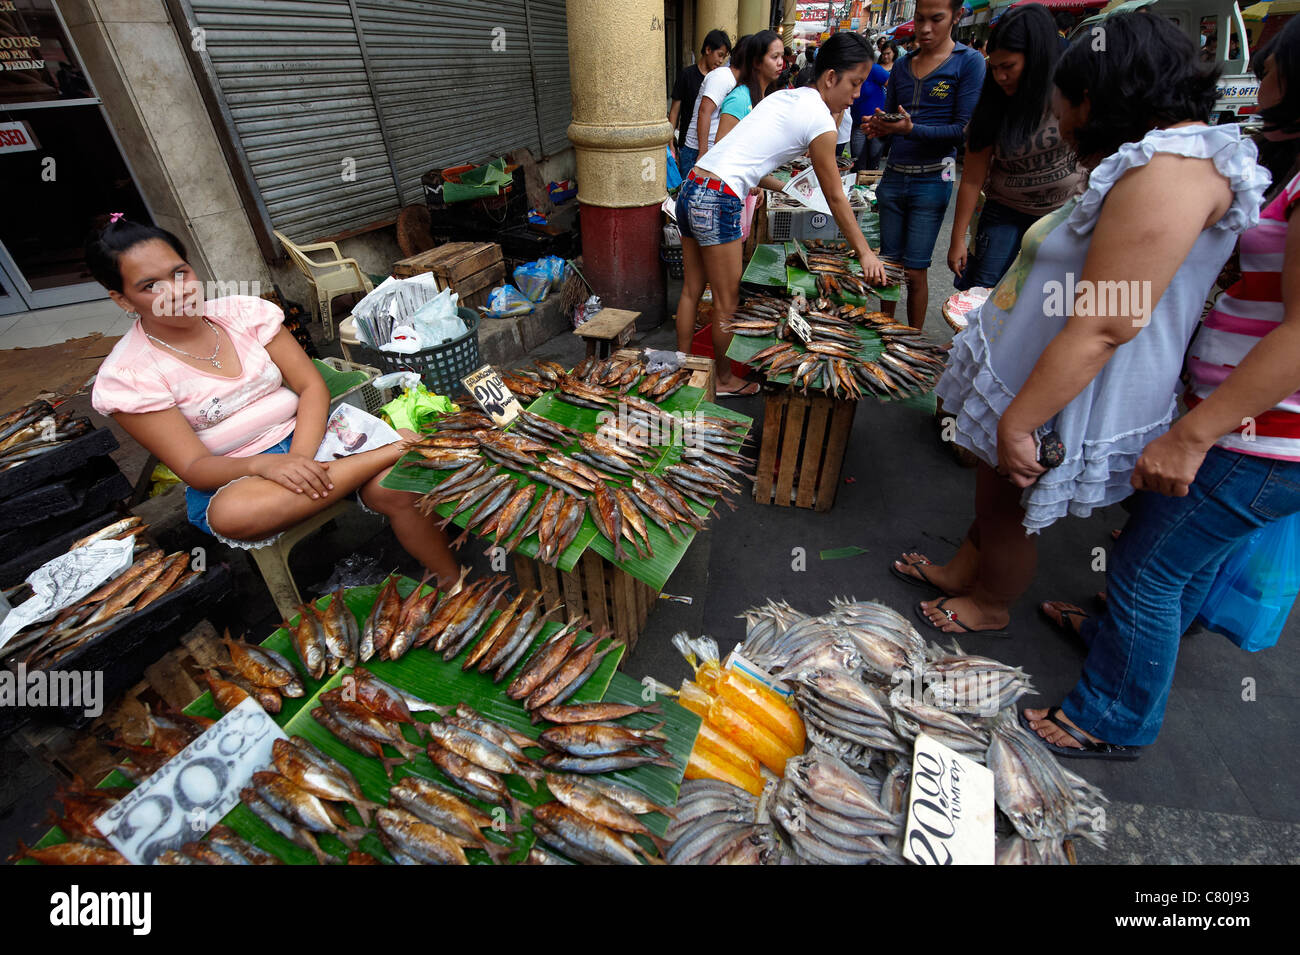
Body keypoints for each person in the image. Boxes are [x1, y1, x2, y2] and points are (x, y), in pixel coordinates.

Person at [890, 14, 1268, 640]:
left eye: (1063, 100)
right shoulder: (1162, 159)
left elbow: (1106, 322)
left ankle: (990, 603)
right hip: (1039, 364)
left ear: (1095, 95)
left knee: (1009, 504)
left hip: (1061, 383)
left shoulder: (1169, 169)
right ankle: (966, 570)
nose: (1058, 116)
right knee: (992, 496)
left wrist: (1019, 421)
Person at [1027, 17, 1300, 759]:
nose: (1260, 75)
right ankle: (1116, 637)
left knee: (1147, 568)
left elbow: (1297, 337)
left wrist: (1193, 433)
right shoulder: (1253, 161)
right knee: (1182, 563)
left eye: (1272, 63)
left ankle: (1111, 716)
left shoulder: (1180, 164)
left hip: (1259, 437)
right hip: (1242, 423)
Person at [87, 217, 462, 588]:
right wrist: (265, 464)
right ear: (122, 299)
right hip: (237, 475)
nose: (177, 292)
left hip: (315, 438)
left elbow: (311, 386)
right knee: (235, 514)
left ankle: (452, 582)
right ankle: (394, 449)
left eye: (180, 272)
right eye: (150, 285)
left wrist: (300, 458)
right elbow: (194, 466)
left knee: (393, 488)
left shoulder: (243, 315)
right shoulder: (129, 375)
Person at [675, 32, 888, 397]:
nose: (856, 94)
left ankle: (681, 369)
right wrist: (866, 252)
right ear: (831, 77)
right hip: (719, 197)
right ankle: (724, 381)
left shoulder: (788, 97)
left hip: (693, 185)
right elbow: (836, 197)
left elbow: (748, 159)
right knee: (727, 302)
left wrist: (785, 187)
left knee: (692, 290)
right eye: (854, 83)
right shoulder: (820, 119)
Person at [865, 0, 986, 329]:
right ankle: (888, 336)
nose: (925, 28)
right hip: (893, 179)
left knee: (916, 271)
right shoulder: (903, 66)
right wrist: (879, 126)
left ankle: (911, 343)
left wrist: (910, 129)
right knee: (888, 267)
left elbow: (963, 131)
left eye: (937, 19)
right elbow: (892, 118)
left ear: (957, 16)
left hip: (933, 180)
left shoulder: (969, 63)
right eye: (920, 19)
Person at [948, 4, 1084, 292]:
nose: (1000, 77)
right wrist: (958, 238)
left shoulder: (1071, 91)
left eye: (1008, 67)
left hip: (1063, 213)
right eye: (994, 68)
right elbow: (972, 178)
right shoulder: (993, 102)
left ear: (1035, 59)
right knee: (984, 295)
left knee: (1044, 297)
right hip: (1004, 213)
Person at [670, 30, 732, 178]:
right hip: (688, 145)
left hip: (711, 147)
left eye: (724, 57)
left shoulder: (720, 78)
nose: (721, 61)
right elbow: (674, 112)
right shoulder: (687, 75)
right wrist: (670, 143)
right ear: (708, 49)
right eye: (720, 55)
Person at [687, 35, 750, 164]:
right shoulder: (722, 77)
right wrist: (703, 153)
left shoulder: (734, 81)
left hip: (712, 150)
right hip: (699, 150)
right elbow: (704, 112)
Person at [715, 31, 786, 143]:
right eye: (775, 57)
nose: (780, 62)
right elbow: (720, 149)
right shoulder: (740, 99)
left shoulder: (766, 96)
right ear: (757, 62)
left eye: (782, 56)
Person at [851, 42, 895, 171]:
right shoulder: (850, 71)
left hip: (877, 123)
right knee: (857, 161)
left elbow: (894, 89)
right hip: (858, 123)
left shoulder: (874, 69)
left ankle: (870, 190)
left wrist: (888, 114)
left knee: (873, 160)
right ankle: (856, 189)